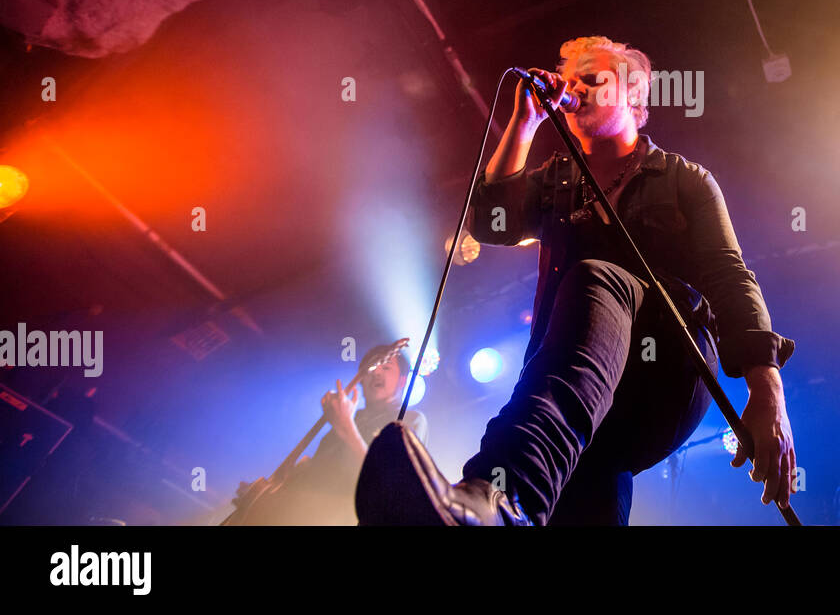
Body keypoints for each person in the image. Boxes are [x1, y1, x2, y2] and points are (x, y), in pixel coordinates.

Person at [388, 35, 795, 526]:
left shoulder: (685, 179)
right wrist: (524, 123)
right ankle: (497, 509)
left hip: (663, 370)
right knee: (570, 466)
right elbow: (491, 225)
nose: (575, 87)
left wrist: (767, 393)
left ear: (632, 96)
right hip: (574, 388)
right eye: (571, 78)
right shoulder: (555, 180)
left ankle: (497, 496)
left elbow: (730, 277)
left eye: (592, 78)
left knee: (597, 278)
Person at [235, 344, 427, 525]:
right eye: (370, 368)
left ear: (402, 380)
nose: (376, 372)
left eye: (386, 367)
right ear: (360, 380)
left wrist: (346, 426)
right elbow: (320, 478)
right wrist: (265, 494)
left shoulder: (409, 420)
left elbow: (384, 485)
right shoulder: (348, 418)